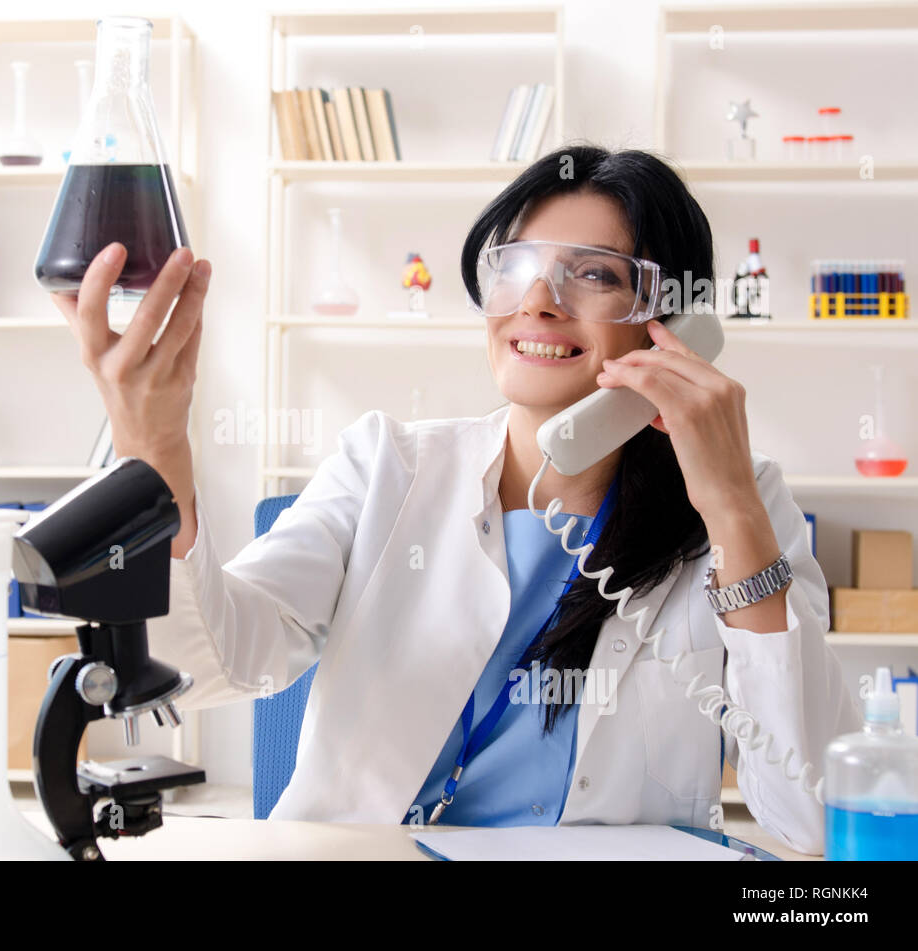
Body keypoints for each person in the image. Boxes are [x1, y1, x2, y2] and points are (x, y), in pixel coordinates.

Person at [49, 145, 860, 855]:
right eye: (516, 265)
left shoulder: (744, 511)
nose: (538, 299)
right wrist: (155, 450)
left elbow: (811, 817)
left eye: (595, 273)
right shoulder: (386, 467)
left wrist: (730, 511)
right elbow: (209, 663)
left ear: (669, 324)